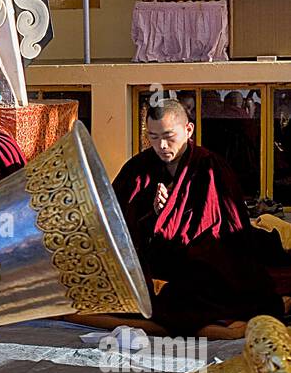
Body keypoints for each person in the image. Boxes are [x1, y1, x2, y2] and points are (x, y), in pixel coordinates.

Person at [112, 98, 284, 334]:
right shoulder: (137, 168)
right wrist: (153, 213)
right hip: (154, 256)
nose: (161, 145)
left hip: (199, 258)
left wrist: (169, 214)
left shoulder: (211, 167)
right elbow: (119, 221)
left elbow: (225, 230)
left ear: (188, 129)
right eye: (153, 137)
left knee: (204, 289)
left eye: (169, 136)